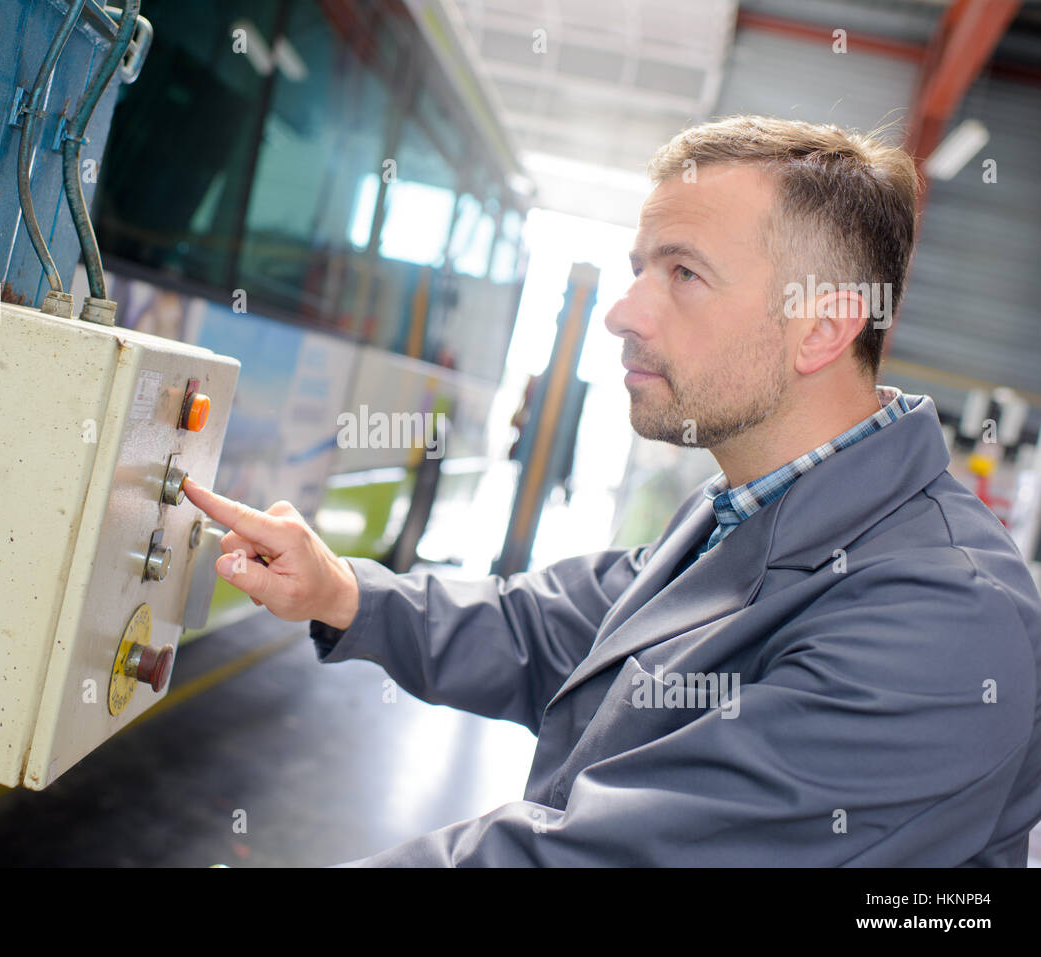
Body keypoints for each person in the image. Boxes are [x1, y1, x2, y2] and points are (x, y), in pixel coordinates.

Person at [180, 115, 1041, 867]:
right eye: (639, 267)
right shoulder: (745, 505)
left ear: (822, 325)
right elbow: (555, 630)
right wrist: (342, 591)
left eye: (683, 273)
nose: (623, 311)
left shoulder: (946, 619)